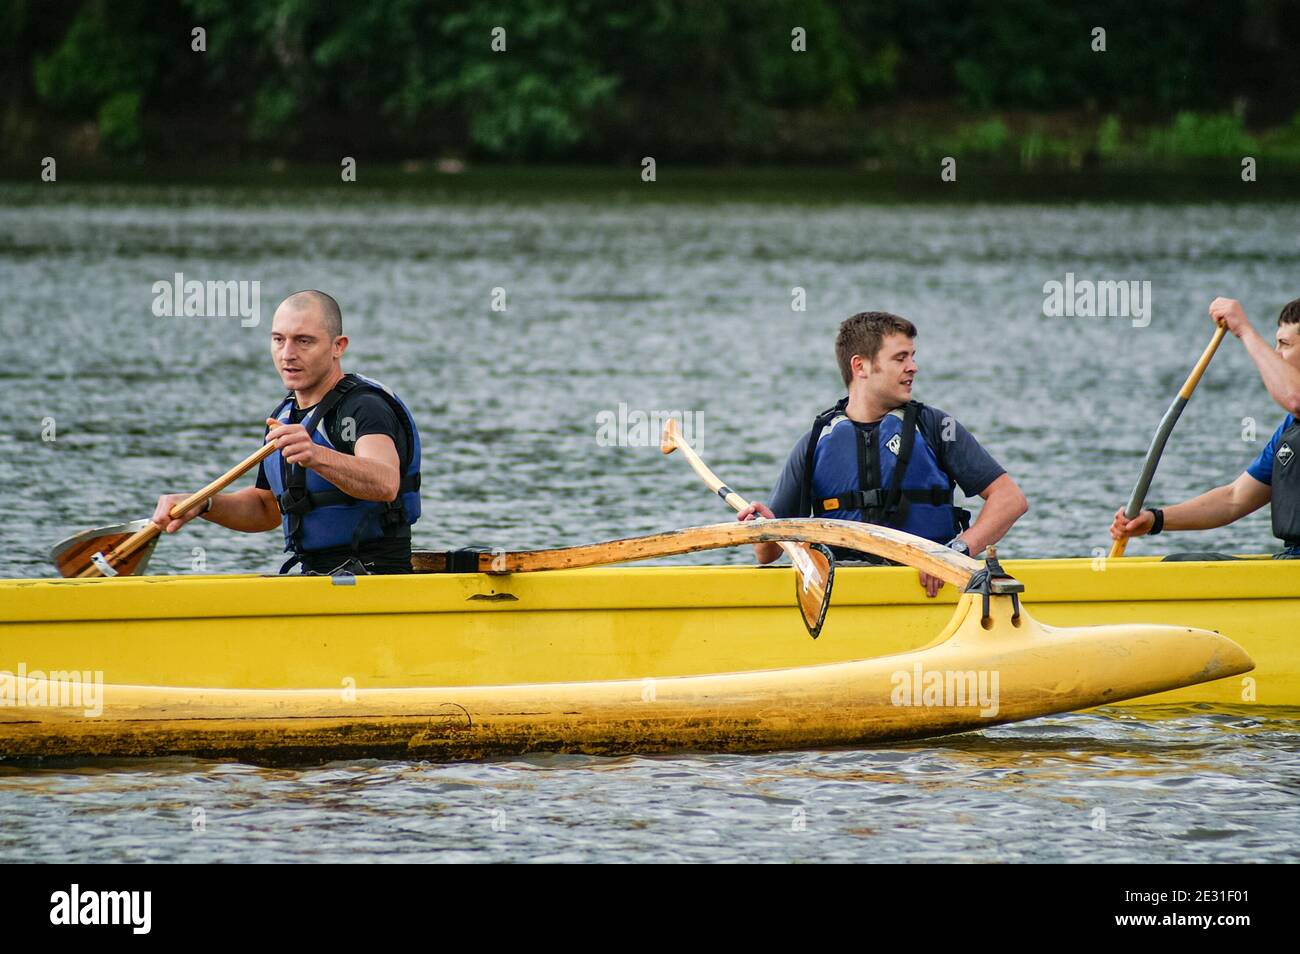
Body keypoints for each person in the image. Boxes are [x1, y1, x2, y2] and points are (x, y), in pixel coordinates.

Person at [739, 311, 1028, 596]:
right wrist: (766, 526)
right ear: (860, 366)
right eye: (900, 358)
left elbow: (1010, 499)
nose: (913, 367)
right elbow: (767, 553)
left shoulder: (937, 427)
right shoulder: (816, 441)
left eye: (912, 357)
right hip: (845, 590)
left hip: (928, 586)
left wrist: (954, 553)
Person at [152, 290, 422, 574]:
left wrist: (315, 455)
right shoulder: (284, 416)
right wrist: (204, 504)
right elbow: (265, 508)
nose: (287, 354)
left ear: (338, 346)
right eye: (279, 340)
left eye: (304, 341)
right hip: (315, 575)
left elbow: (385, 482)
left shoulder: (364, 408)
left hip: (377, 575)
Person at [1110, 297, 1300, 558]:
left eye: (1285, 344)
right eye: (1275, 343)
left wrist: (1244, 329)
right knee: (1178, 564)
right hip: (1291, 563)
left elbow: (1295, 397)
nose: (1275, 353)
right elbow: (1233, 499)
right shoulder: (1291, 429)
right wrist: (1154, 520)